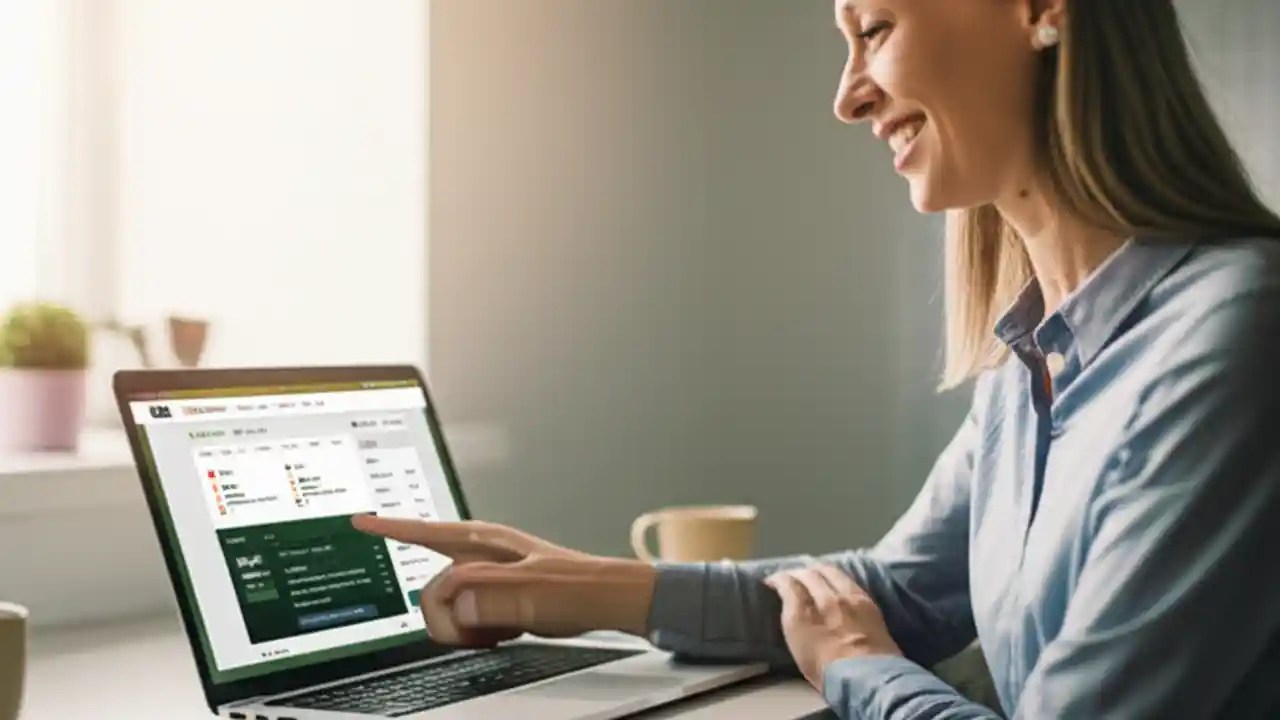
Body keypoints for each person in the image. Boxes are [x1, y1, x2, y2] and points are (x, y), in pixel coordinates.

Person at [355, 1, 1280, 717]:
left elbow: (862, 632)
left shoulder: (1232, 335)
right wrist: (581, 588)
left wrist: (856, 668)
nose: (848, 96)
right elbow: (889, 592)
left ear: (1041, 7)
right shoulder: (1034, 356)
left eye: (874, 28)